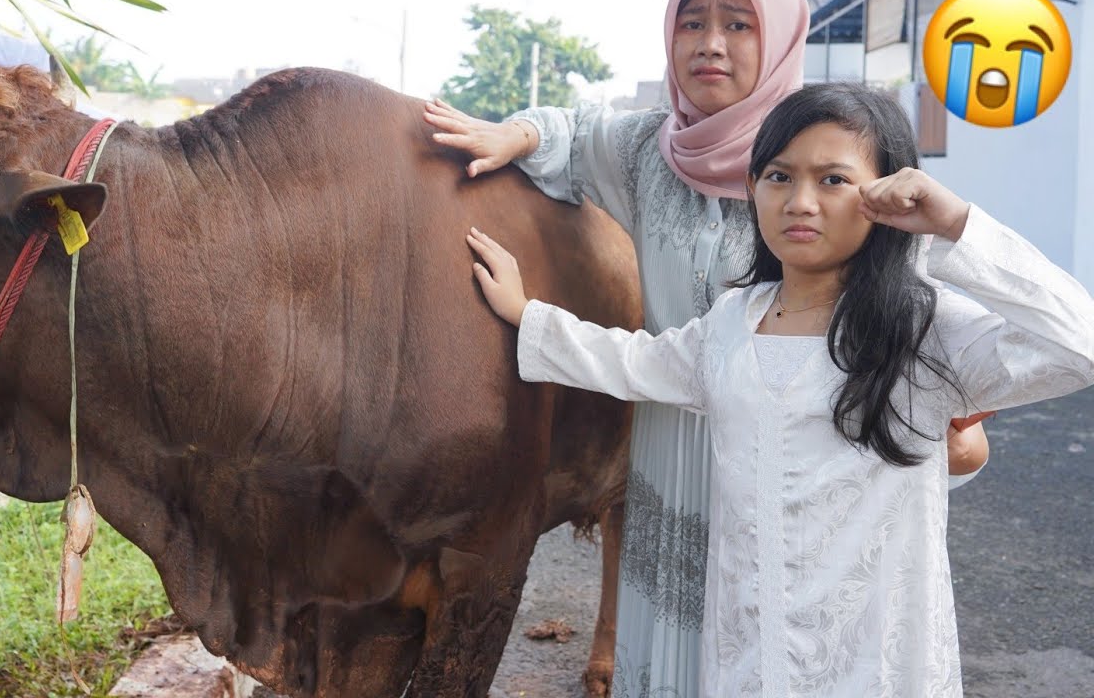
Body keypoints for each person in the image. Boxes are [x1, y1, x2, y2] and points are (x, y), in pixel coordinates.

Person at [423, 0, 990, 692]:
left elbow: (904, 308)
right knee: (672, 634)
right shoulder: (648, 150)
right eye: (692, 23)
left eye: (738, 25)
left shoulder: (838, 158)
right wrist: (516, 135)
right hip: (669, 421)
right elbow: (570, 132)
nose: (710, 44)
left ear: (782, 37)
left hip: (796, 449)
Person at [462, 81, 1094, 696]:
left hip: (879, 668)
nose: (801, 201)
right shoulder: (735, 322)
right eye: (780, 176)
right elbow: (637, 361)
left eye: (834, 179)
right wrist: (529, 314)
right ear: (753, 188)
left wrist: (956, 226)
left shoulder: (922, 334)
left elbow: (1078, 346)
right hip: (748, 659)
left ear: (890, 192)